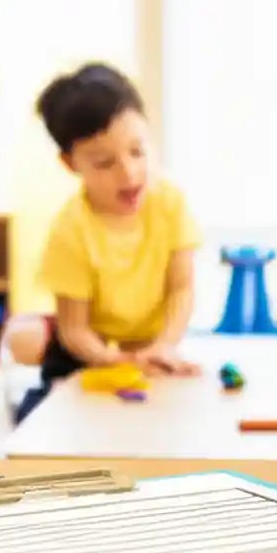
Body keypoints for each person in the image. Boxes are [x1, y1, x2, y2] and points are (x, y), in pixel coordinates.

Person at [16, 63, 202, 423]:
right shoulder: (71, 228)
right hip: (88, 353)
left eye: (137, 151)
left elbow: (182, 288)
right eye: (104, 163)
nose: (128, 173)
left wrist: (163, 346)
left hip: (152, 347)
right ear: (70, 163)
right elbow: (75, 330)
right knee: (48, 418)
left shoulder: (170, 203)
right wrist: (119, 361)